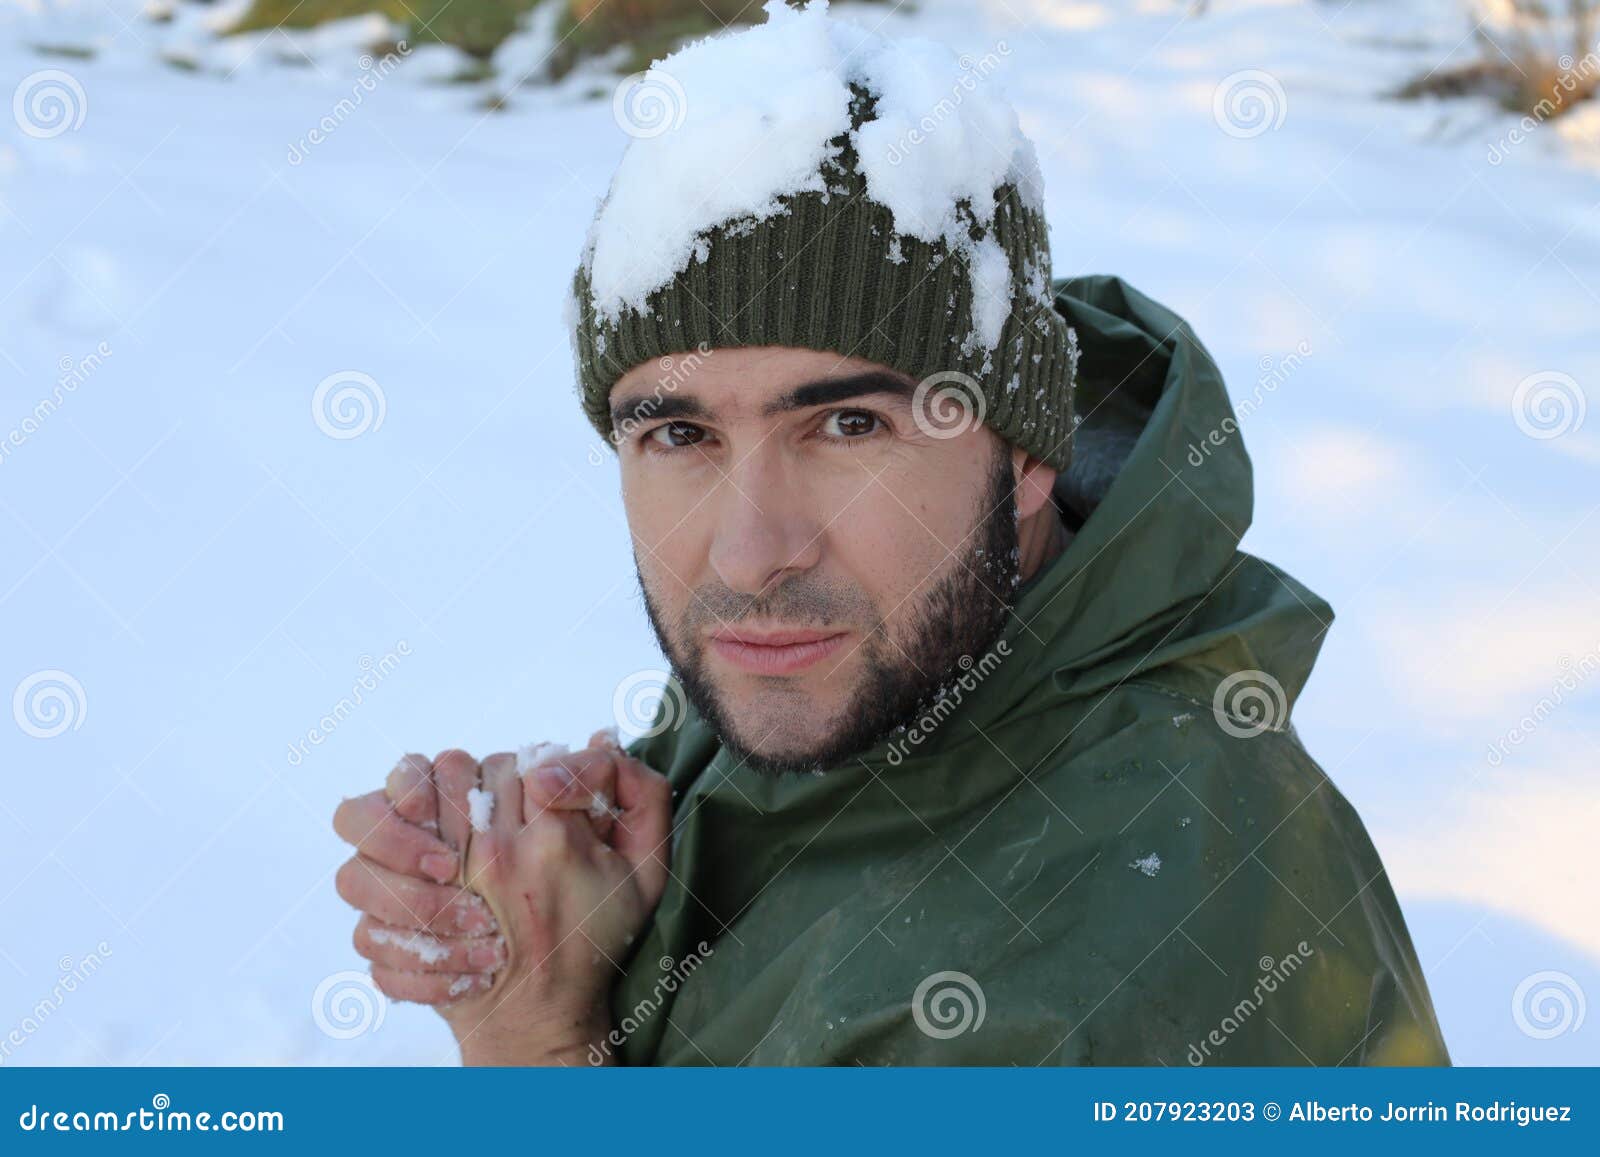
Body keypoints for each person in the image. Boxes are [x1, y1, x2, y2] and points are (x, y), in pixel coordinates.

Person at [332, 0, 1450, 1066]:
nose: (749, 551)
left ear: (1024, 455)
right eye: (679, 434)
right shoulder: (915, 662)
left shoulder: (1066, 1002)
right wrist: (573, 921)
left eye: (848, 424)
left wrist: (533, 1036)